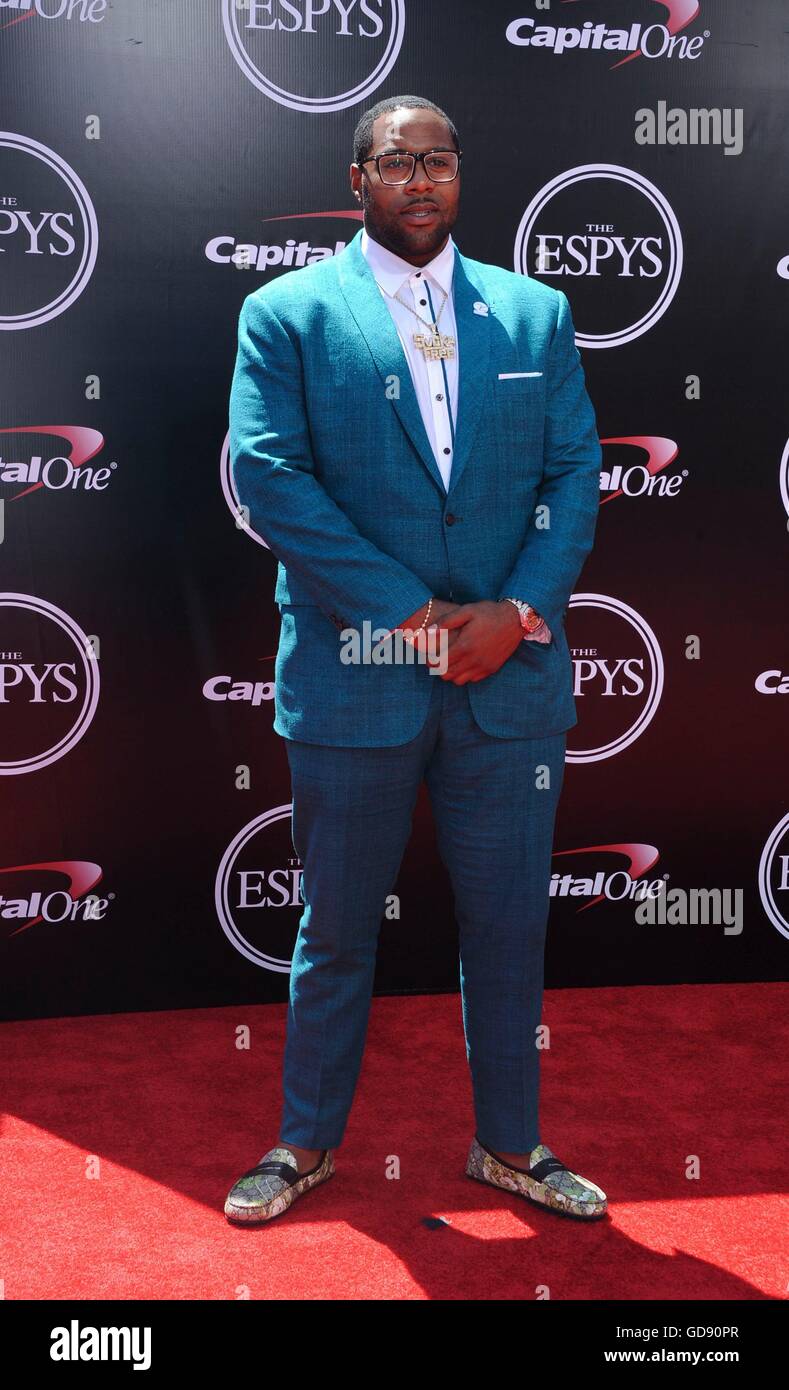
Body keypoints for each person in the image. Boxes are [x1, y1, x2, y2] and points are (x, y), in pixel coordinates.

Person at [224, 95, 607, 1226]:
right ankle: (305, 1146)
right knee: (336, 930)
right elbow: (273, 483)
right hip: (355, 678)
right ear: (358, 180)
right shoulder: (287, 313)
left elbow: (576, 475)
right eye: (400, 161)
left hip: (512, 683)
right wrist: (422, 618)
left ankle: (510, 1145)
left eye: (440, 159)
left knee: (508, 928)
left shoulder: (534, 316)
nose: (423, 179)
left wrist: (520, 611)